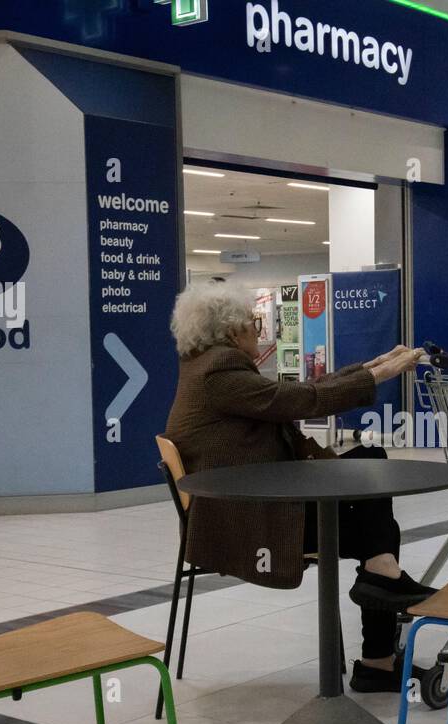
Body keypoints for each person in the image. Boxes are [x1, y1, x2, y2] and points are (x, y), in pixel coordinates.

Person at [164, 285, 432, 693]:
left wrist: (371, 367)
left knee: (371, 473)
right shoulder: (220, 373)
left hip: (250, 503)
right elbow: (299, 400)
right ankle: (378, 657)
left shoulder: (205, 367)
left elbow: (296, 394)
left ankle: (382, 589)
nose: (260, 331)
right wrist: (378, 374)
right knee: (377, 526)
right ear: (232, 332)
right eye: (254, 324)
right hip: (250, 520)